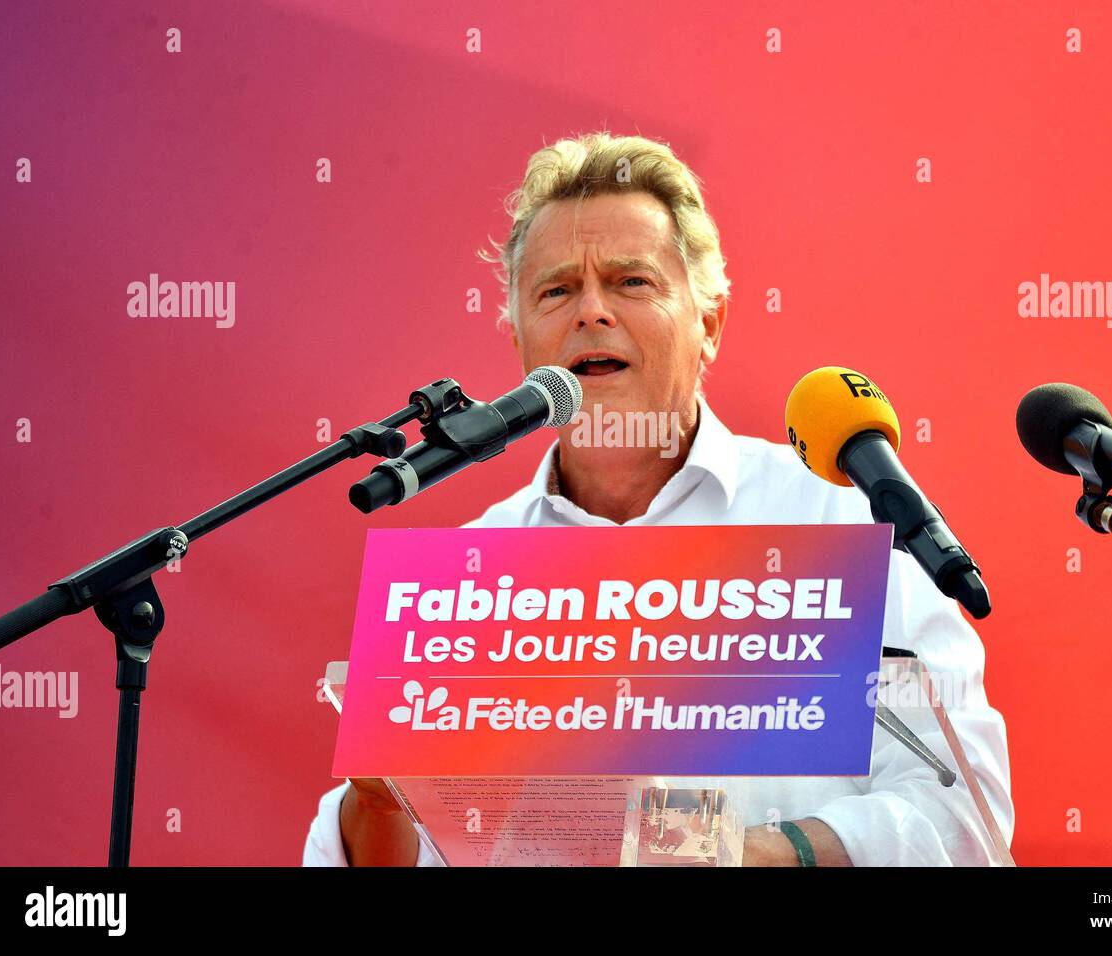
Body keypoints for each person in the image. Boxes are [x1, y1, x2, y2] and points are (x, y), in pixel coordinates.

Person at [304, 131, 1012, 866]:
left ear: (710, 323)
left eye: (631, 282)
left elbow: (966, 809)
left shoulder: (836, 513)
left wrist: (758, 855)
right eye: (555, 291)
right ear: (517, 337)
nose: (591, 312)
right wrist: (376, 805)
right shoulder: (471, 570)